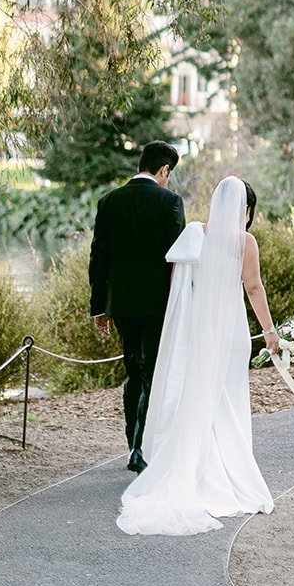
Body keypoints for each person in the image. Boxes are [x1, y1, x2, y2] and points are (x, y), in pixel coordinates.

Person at [116, 175, 281, 536]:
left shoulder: (193, 233)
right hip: (232, 332)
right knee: (229, 402)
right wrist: (270, 331)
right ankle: (229, 471)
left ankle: (195, 470)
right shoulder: (245, 242)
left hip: (198, 332)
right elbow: (253, 288)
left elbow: (178, 286)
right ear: (247, 210)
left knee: (200, 399)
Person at [88, 140, 186, 474]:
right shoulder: (170, 202)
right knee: (154, 373)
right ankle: (139, 449)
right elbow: (177, 259)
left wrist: (99, 307)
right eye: (168, 174)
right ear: (164, 170)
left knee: (133, 371)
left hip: (121, 304)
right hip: (158, 304)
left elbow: (98, 258)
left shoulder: (109, 201)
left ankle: (133, 442)